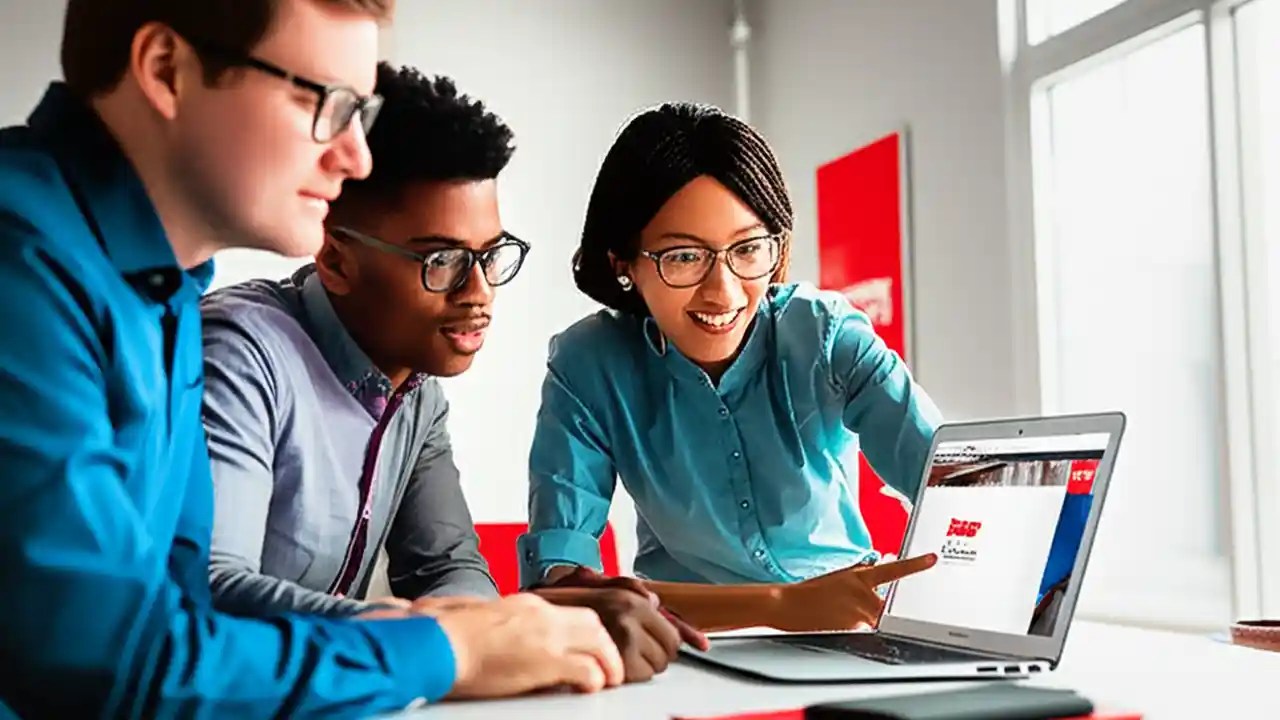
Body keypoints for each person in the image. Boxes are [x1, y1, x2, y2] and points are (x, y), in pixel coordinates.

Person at [0, 2, 623, 716]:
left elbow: (179, 616)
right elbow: (106, 661)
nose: (355, 154)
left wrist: (490, 637)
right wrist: (447, 646)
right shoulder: (21, 261)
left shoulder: (160, 292)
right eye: (324, 101)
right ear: (166, 70)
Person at [201, 62, 704, 682]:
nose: (479, 290)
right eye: (441, 259)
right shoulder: (240, 353)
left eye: (490, 255)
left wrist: (533, 630)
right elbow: (212, 591)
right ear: (334, 258)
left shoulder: (417, 390)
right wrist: (461, 636)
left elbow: (448, 569)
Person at [519, 102, 942, 632]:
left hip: (849, 626)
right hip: (689, 647)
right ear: (622, 262)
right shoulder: (588, 367)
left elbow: (950, 482)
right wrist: (778, 607)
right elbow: (562, 588)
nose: (723, 293)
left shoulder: (827, 335)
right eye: (683, 257)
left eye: (747, 249)